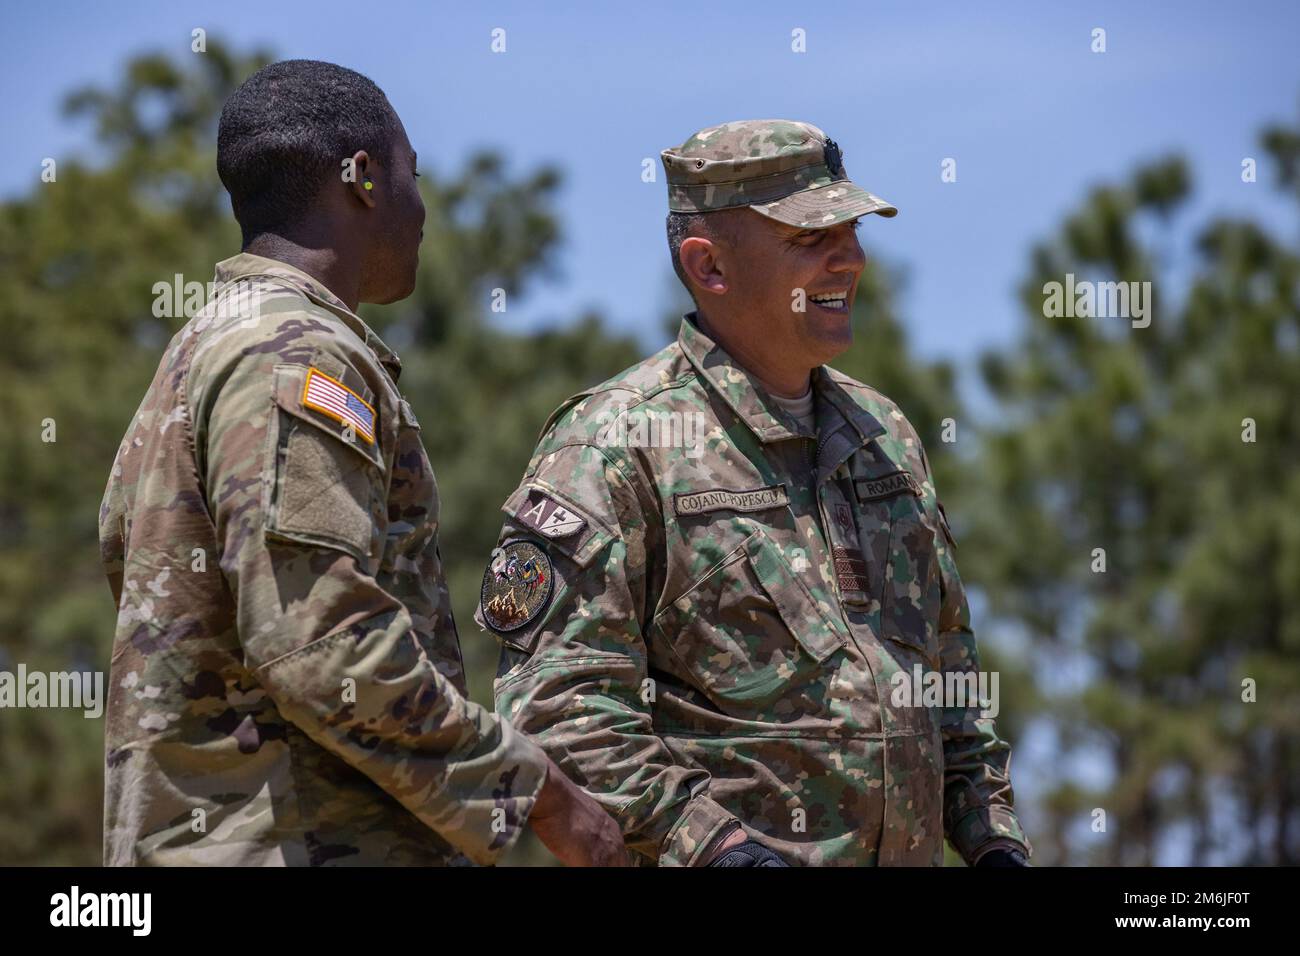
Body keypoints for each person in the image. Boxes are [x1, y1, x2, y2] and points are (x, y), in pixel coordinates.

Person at [97, 59, 623, 866]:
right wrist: (539, 790)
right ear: (364, 177)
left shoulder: (197, 350)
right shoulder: (298, 353)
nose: (424, 207)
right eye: (415, 172)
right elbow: (318, 643)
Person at [474, 119, 1031, 867]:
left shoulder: (884, 435)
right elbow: (558, 709)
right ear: (709, 267)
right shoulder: (616, 445)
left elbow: (950, 682)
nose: (853, 259)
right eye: (811, 239)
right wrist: (718, 851)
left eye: (852, 231)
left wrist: (995, 841)